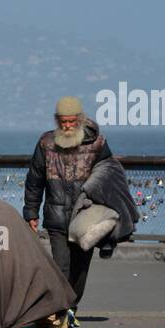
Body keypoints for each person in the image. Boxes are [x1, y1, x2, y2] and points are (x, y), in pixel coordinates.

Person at [23, 96, 114, 310]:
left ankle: (71, 306)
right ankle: (62, 311)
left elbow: (109, 179)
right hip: (56, 218)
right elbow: (34, 180)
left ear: (80, 120)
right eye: (63, 122)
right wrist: (31, 212)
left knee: (80, 270)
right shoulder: (46, 143)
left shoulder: (98, 144)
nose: (67, 126)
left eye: (72, 121)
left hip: (87, 217)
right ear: (57, 121)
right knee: (59, 268)